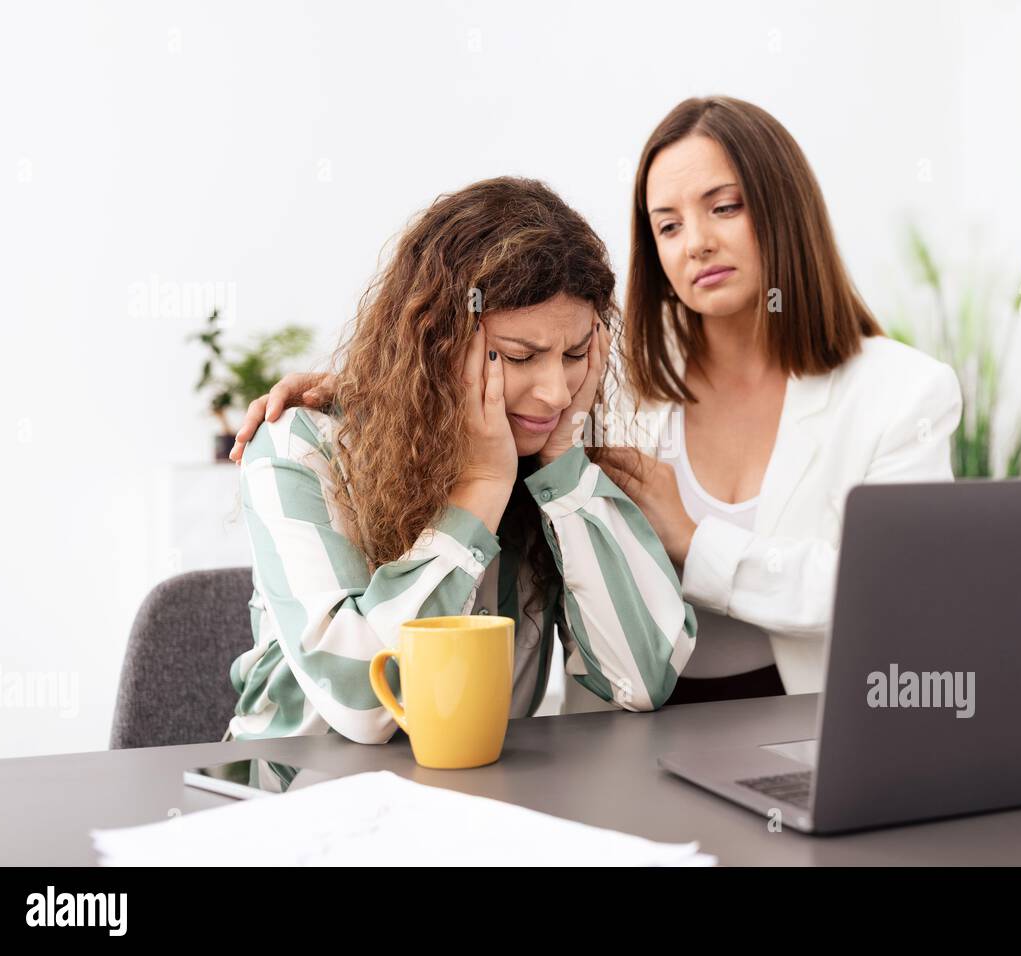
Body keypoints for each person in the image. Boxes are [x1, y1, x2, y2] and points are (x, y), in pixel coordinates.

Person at [231, 96, 962, 711]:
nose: (697, 242)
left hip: (807, 717)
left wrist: (692, 540)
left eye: (725, 207)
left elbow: (900, 595)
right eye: (668, 224)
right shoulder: (616, 390)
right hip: (617, 748)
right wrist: (380, 391)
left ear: (785, 213)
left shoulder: (900, 394)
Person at [224, 177, 696, 743]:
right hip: (300, 803)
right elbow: (365, 705)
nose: (555, 392)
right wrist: (480, 487)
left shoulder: (550, 462)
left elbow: (644, 680)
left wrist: (564, 466)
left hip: (476, 806)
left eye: (574, 355)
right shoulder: (299, 445)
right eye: (520, 356)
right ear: (436, 346)